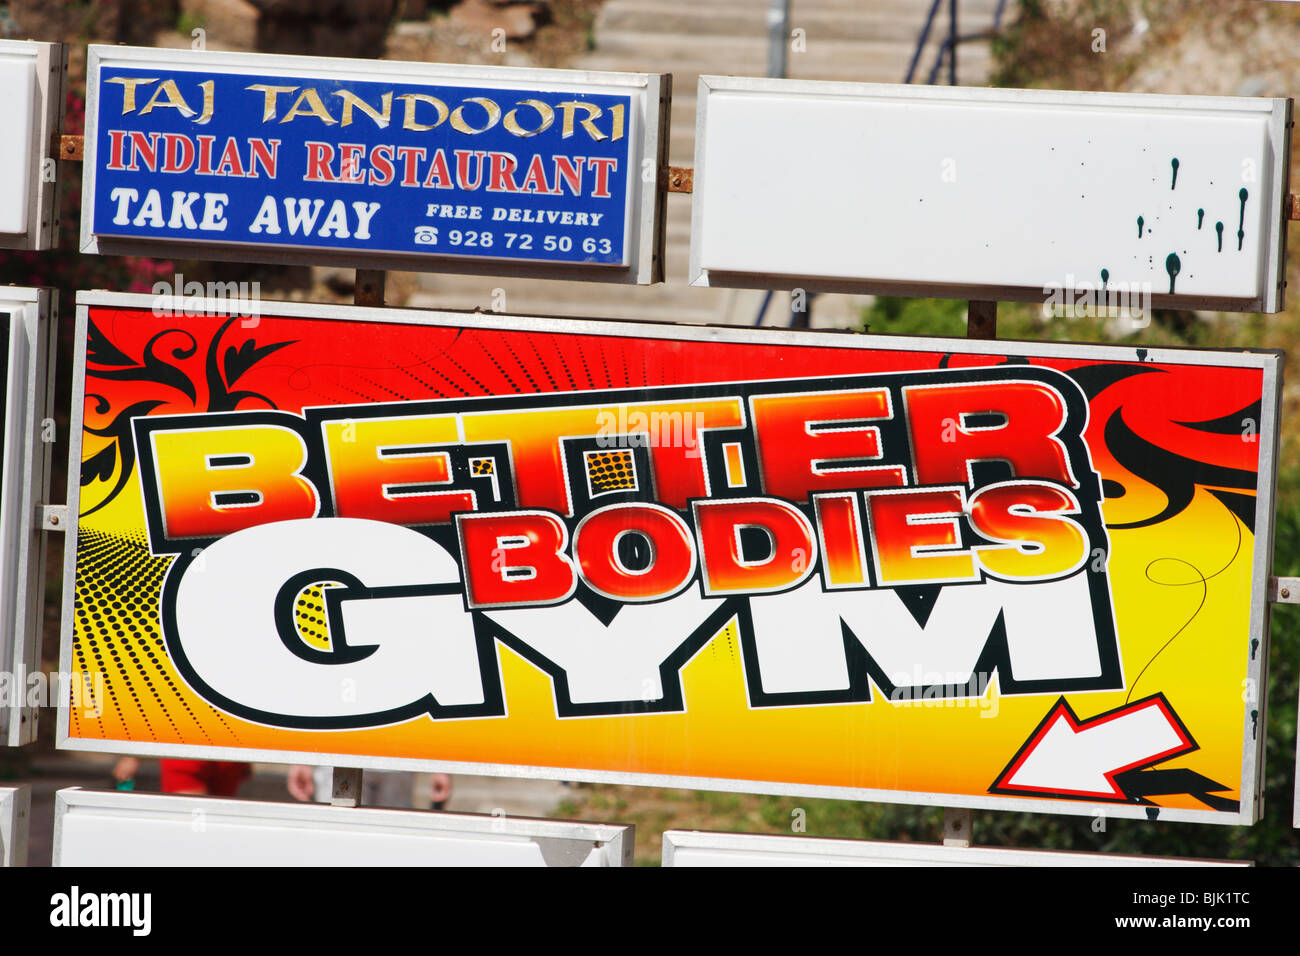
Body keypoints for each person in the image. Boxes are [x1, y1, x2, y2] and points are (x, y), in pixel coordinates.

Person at [286, 765, 451, 810]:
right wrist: (300, 758)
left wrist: (442, 767)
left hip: (397, 755)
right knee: (339, 837)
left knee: (392, 840)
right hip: (336, 752)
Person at [112, 756, 252, 796]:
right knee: (217, 825)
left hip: (186, 746)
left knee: (193, 827)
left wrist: (133, 755)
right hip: (227, 749)